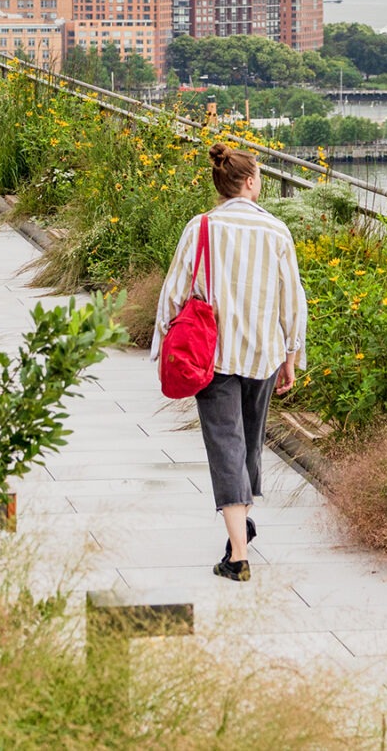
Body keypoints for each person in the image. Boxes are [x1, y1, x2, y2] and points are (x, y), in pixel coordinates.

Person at [153, 142, 309, 583]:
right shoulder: (277, 231)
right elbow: (292, 300)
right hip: (263, 354)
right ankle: (240, 532)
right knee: (249, 444)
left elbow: (174, 292)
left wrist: (163, 346)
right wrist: (292, 355)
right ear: (250, 181)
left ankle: (237, 554)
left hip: (212, 355)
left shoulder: (200, 227)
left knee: (226, 445)